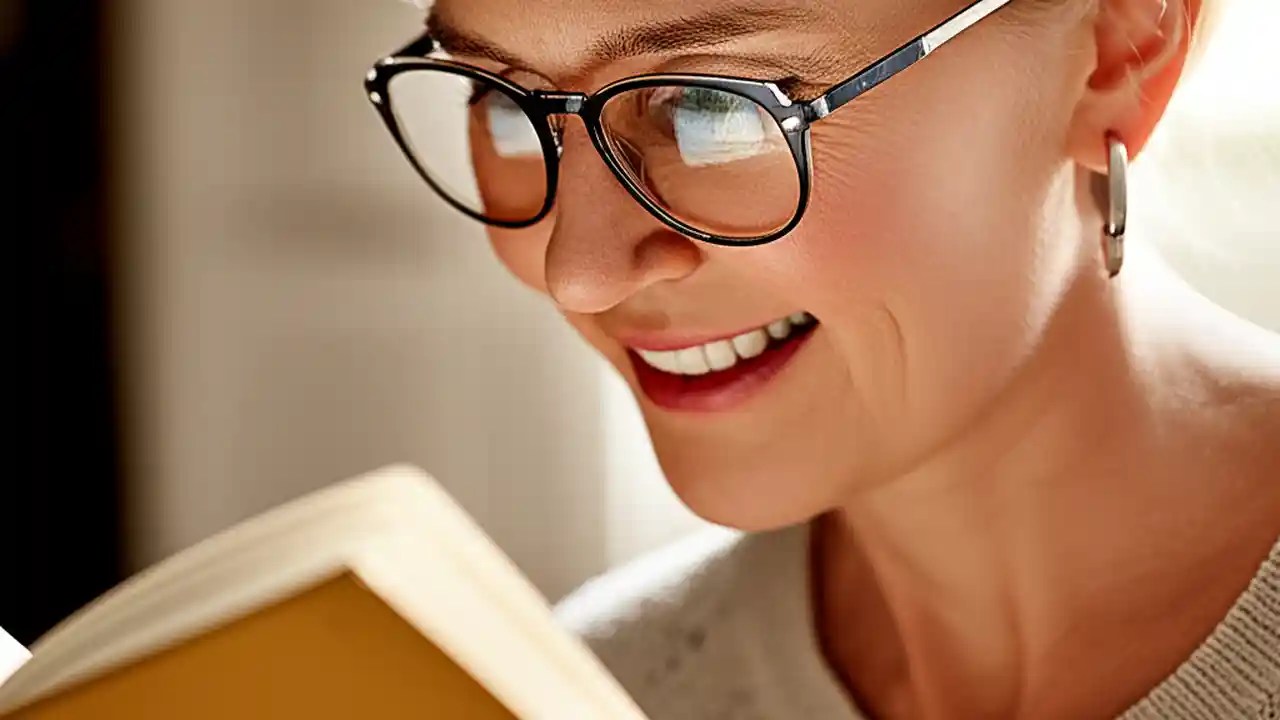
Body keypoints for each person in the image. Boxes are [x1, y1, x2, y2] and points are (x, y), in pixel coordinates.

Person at [365, 0, 1280, 717]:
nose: (581, 272)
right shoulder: (594, 688)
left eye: (713, 105)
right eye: (506, 103)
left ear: (1123, 49)